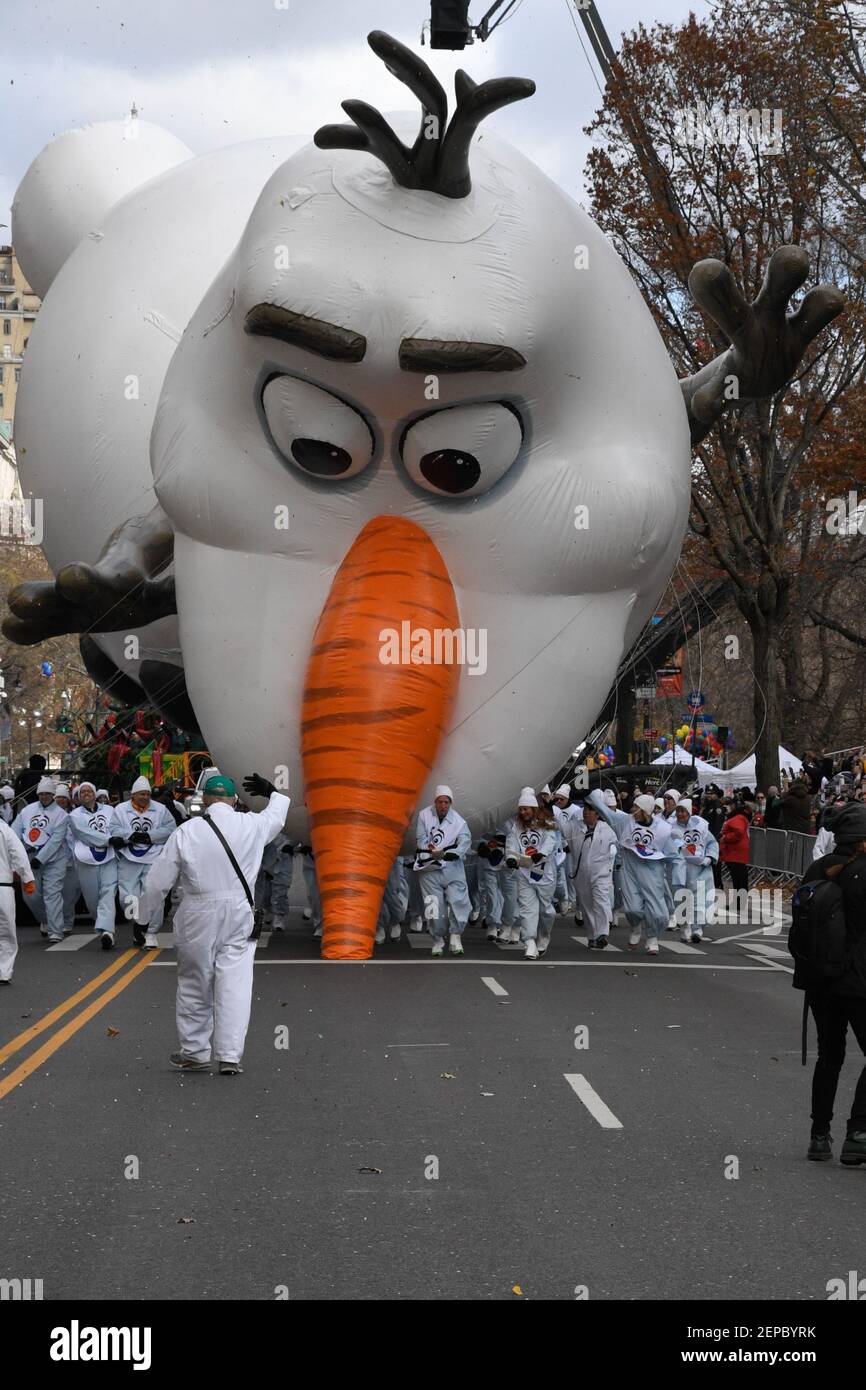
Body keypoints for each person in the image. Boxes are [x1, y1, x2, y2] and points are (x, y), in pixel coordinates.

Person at [139, 771, 290, 1074]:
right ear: (234, 801)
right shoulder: (252, 825)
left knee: (195, 983)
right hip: (239, 911)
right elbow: (278, 814)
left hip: (197, 912)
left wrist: (143, 917)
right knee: (235, 983)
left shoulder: (188, 831)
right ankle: (230, 1056)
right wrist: (272, 791)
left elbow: (158, 881)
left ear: (205, 800)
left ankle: (195, 1052)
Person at [796, 801, 866, 1165]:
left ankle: (818, 1136)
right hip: (859, 981)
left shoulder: (817, 869)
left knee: (830, 1058)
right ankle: (858, 1132)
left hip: (821, 980)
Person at [586, 789, 677, 955]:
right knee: (633, 909)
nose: (632, 810)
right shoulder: (624, 822)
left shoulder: (662, 829)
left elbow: (672, 854)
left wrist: (677, 873)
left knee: (657, 912)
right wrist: (591, 796)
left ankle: (652, 937)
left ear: (645, 811)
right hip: (630, 869)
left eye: (636, 807)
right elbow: (605, 812)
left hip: (652, 872)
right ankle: (636, 928)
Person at [111, 775, 177, 948]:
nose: (145, 797)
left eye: (148, 794)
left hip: (153, 858)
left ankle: (151, 933)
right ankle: (140, 924)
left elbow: (171, 828)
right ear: (133, 795)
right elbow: (114, 828)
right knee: (127, 897)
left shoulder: (161, 809)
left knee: (153, 895)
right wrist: (129, 835)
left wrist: (150, 836)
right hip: (129, 858)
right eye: (142, 794)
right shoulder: (120, 810)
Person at [414, 785, 472, 956]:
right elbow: (421, 838)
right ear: (435, 802)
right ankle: (437, 939)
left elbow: (465, 840)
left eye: (446, 802)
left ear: (450, 803)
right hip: (430, 868)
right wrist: (430, 849)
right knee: (433, 906)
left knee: (458, 901)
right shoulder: (424, 815)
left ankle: (455, 936)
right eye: (440, 802)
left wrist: (454, 853)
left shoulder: (459, 821)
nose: (443, 805)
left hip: (452, 868)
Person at [12, 778, 70, 943]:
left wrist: (40, 858)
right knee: (30, 895)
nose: (44, 796)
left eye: (48, 793)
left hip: (55, 860)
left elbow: (55, 841)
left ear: (53, 794)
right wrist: (15, 852)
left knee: (52, 895)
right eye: (42, 793)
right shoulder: (27, 811)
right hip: (28, 858)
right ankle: (45, 920)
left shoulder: (62, 815)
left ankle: (55, 931)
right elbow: (14, 832)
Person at [505, 788, 557, 960]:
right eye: (521, 809)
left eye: (526, 809)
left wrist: (541, 853)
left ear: (534, 809)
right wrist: (511, 858)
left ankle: (544, 936)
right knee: (527, 910)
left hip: (544, 874)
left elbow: (550, 841)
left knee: (546, 912)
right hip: (524, 874)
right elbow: (511, 844)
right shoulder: (516, 826)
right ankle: (529, 943)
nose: (523, 812)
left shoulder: (545, 824)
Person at [67, 781, 118, 947]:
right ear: (78, 796)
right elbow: (84, 834)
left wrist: (120, 839)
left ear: (95, 794)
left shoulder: (110, 811)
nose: (86, 794)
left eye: (89, 791)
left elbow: (117, 828)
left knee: (108, 892)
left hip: (109, 857)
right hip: (85, 859)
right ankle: (103, 924)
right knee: (92, 898)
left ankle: (107, 932)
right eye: (83, 792)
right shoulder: (74, 816)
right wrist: (108, 839)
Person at [671, 798, 719, 944]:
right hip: (680, 869)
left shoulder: (700, 825)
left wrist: (709, 858)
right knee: (682, 900)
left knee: (701, 899)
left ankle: (697, 929)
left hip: (700, 869)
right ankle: (685, 927)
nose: (680, 814)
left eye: (683, 811)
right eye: (678, 811)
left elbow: (711, 843)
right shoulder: (670, 828)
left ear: (689, 812)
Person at [570, 800, 617, 949]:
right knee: (587, 905)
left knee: (602, 900)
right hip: (581, 874)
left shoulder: (607, 828)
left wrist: (612, 853)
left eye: (590, 810)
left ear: (597, 813)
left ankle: (603, 933)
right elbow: (558, 825)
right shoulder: (575, 826)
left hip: (601, 873)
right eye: (585, 809)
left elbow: (616, 844)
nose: (586, 812)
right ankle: (592, 935)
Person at [0, 816, 36, 982]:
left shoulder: (5, 830)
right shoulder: (5, 830)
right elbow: (19, 854)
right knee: (6, 932)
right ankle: (4, 971)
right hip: (3, 887)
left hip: (4, 885)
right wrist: (27, 878)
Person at [53, 783, 80, 936]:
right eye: (58, 798)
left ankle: (68, 922)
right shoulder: (48, 816)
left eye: (64, 798)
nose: (61, 800)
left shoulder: (75, 815)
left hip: (72, 861)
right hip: (53, 861)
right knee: (53, 894)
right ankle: (50, 920)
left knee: (69, 895)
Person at [719, 802, 751, 896]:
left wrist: (725, 838)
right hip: (737, 853)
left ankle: (739, 903)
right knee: (740, 879)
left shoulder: (738, 819)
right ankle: (739, 902)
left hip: (734, 852)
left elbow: (738, 832)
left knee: (738, 879)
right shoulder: (741, 819)